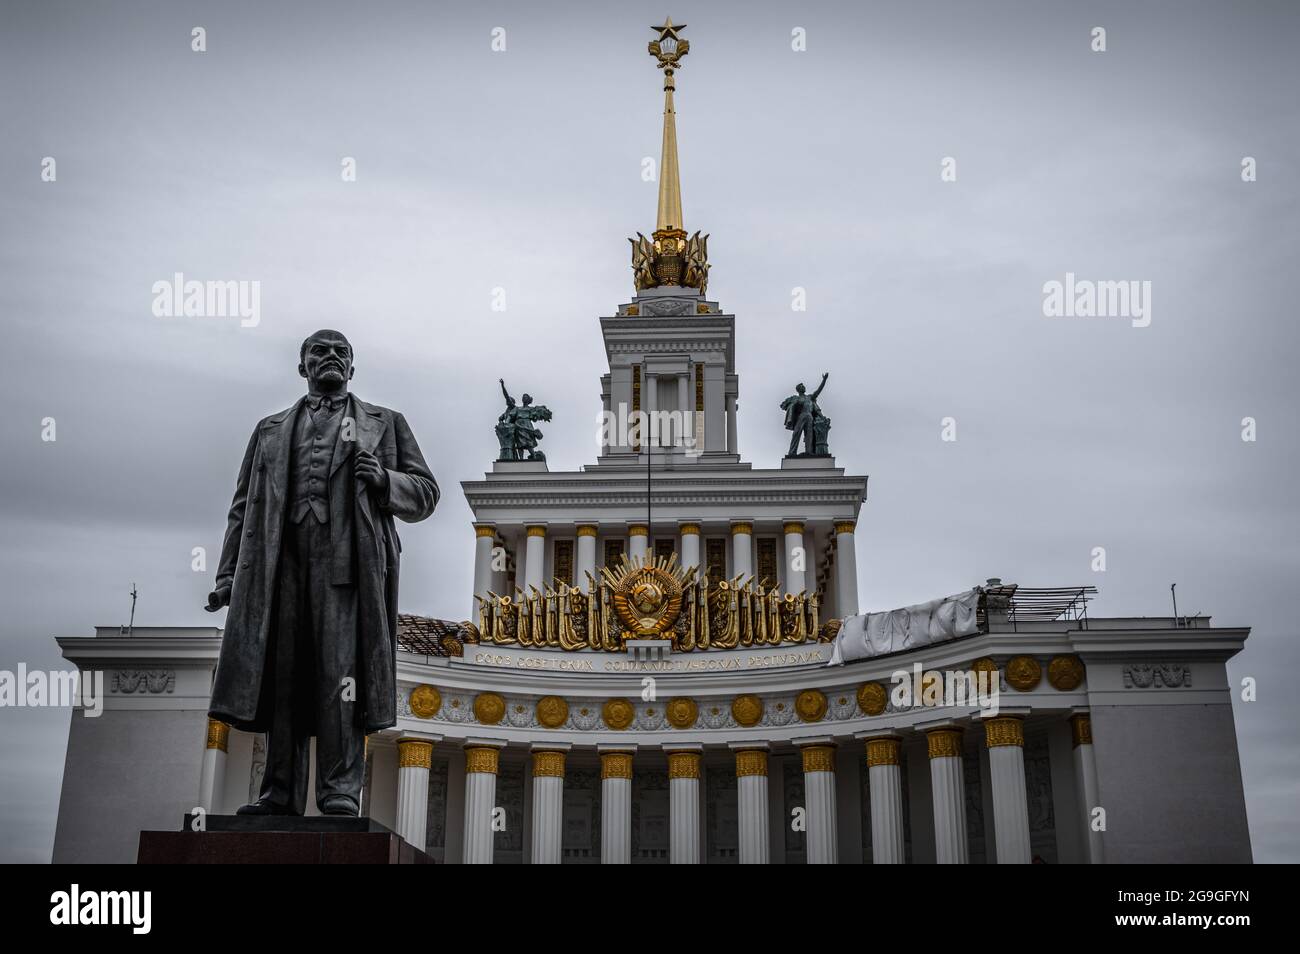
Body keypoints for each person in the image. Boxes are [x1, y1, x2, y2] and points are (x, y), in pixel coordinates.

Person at [205, 330, 438, 815]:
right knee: (283, 678)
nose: (330, 357)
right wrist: (228, 576)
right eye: (319, 350)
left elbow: (425, 492)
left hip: (348, 568)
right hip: (279, 566)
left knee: (341, 679)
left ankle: (338, 793)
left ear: (352, 368)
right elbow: (242, 507)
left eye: (341, 352)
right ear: (302, 366)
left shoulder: (385, 423)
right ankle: (280, 792)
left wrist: (385, 480)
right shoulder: (269, 429)